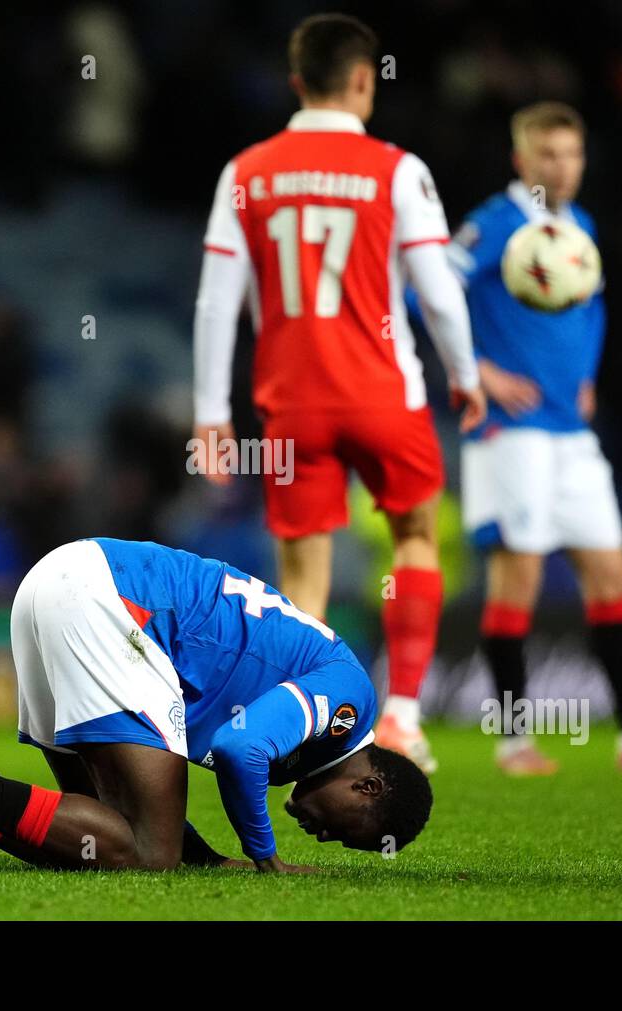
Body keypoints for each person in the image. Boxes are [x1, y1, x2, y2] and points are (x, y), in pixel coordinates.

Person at [191, 13, 486, 774]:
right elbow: (439, 293)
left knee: (301, 587)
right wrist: (466, 375)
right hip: (384, 394)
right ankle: (403, 717)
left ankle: (309, 745)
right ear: (364, 80)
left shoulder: (245, 172)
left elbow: (217, 302)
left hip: (293, 405)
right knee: (417, 535)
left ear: (296, 83)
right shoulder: (397, 170)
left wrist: (211, 414)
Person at [0, 538, 433, 872]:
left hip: (57, 583)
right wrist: (264, 856)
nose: (323, 837)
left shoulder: (314, 742)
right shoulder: (350, 701)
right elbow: (239, 749)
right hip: (118, 606)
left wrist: (210, 860)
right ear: (369, 789)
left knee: (99, 831)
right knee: (149, 855)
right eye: (346, 834)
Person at [444, 101, 622, 774]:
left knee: (613, 573)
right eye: (548, 154)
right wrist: (480, 372)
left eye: (572, 153)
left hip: (569, 428)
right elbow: (426, 290)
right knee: (517, 578)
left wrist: (585, 376)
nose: (563, 166)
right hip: (509, 431)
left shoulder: (577, 225)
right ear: (520, 160)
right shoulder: (494, 224)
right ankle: (513, 741)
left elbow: (596, 306)